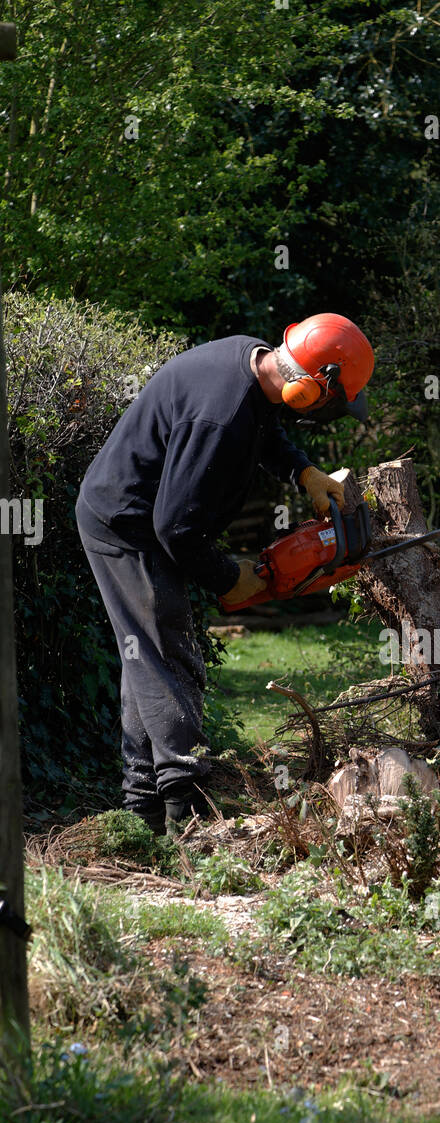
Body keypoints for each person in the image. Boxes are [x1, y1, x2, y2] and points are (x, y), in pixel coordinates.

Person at [75, 313, 374, 834]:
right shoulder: (221, 415)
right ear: (312, 387)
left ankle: (142, 806)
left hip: (141, 517)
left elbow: (265, 429)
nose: (332, 410)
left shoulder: (252, 361)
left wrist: (303, 471)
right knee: (168, 652)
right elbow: (175, 528)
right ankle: (183, 809)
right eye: (335, 400)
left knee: (143, 653)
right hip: (126, 524)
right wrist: (227, 576)